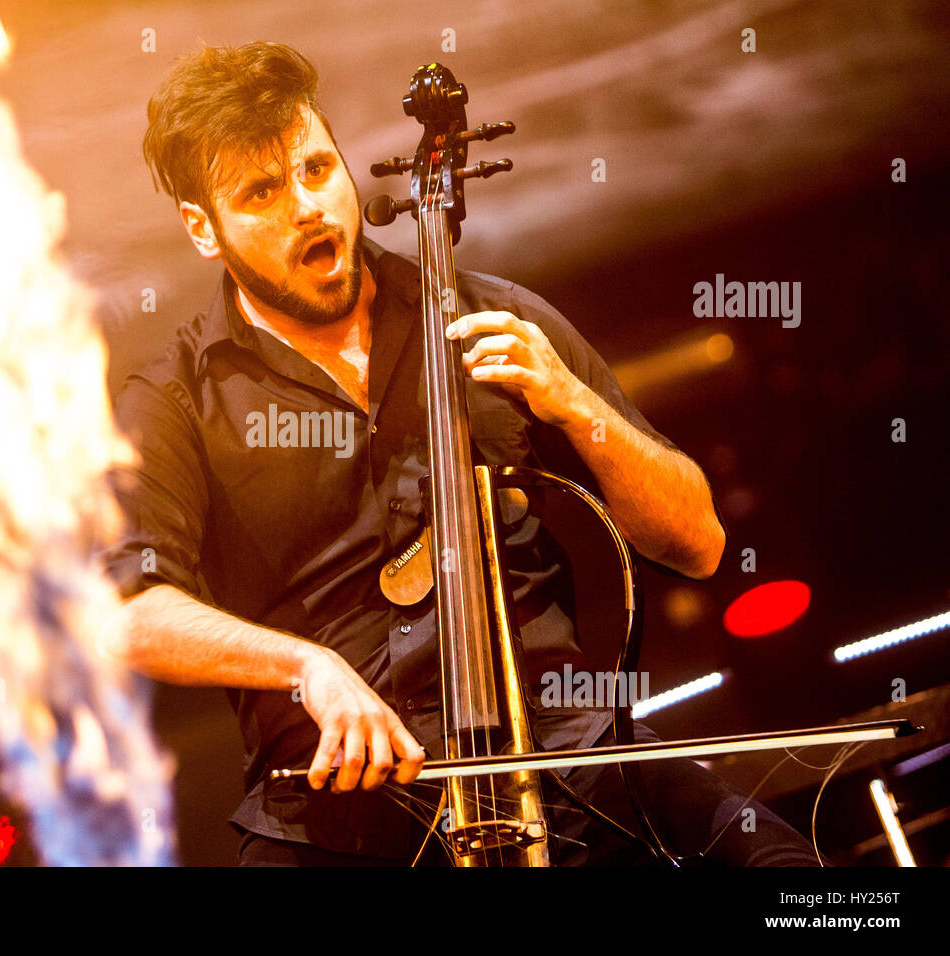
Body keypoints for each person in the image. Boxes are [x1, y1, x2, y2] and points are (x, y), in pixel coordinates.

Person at [100, 40, 820, 866]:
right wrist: (310, 666)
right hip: (335, 810)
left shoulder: (495, 318)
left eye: (314, 169)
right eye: (261, 192)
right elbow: (127, 611)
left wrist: (574, 404)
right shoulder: (174, 400)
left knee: (789, 875)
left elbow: (697, 541)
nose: (306, 207)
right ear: (203, 229)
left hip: (562, 753)